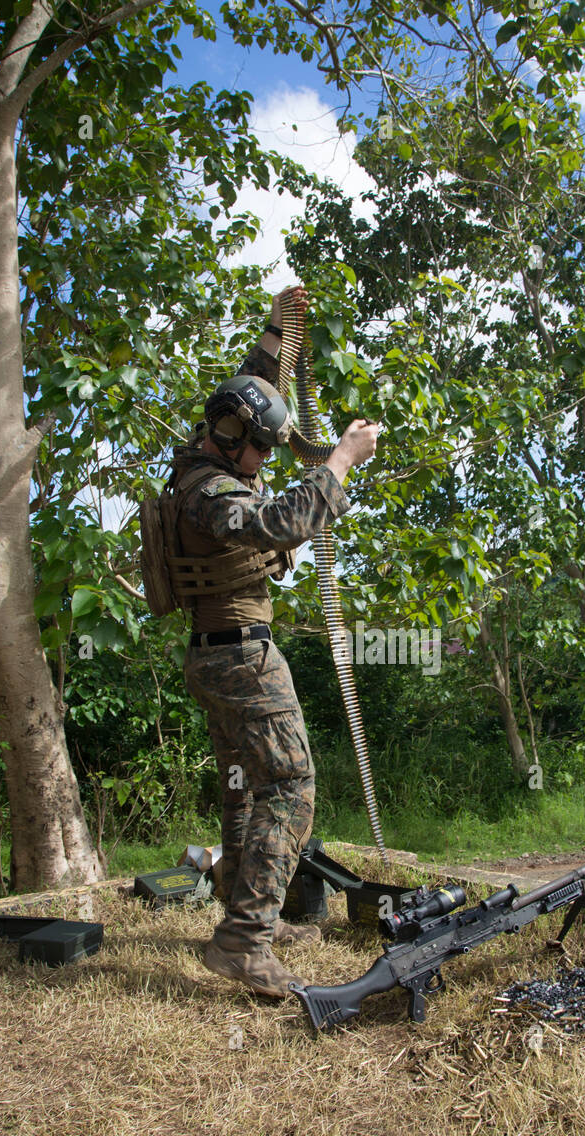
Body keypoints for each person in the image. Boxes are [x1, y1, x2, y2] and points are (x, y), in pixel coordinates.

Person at [174, 284, 379, 997]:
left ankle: (242, 913)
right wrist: (342, 459)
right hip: (240, 657)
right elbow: (282, 523)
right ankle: (245, 940)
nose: (266, 456)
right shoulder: (210, 492)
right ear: (229, 439)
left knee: (242, 789)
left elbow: (253, 390)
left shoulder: (211, 458)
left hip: (219, 654)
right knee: (290, 787)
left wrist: (278, 326)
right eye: (259, 446)